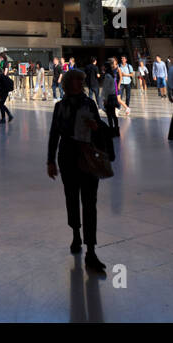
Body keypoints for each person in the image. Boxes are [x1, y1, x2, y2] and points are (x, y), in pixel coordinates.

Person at [47, 68, 110, 273]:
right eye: (75, 80)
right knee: (72, 198)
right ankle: (76, 233)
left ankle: (91, 249)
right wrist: (50, 160)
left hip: (87, 157)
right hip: (67, 158)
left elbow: (101, 128)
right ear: (67, 84)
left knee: (90, 203)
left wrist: (96, 127)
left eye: (80, 80)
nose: (79, 84)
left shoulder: (89, 103)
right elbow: (54, 134)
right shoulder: (60, 107)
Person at [100, 59, 123, 135]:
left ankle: (111, 131)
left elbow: (106, 89)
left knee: (109, 115)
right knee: (113, 114)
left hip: (109, 97)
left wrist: (105, 99)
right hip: (113, 96)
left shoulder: (107, 76)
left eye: (103, 66)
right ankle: (116, 130)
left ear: (106, 67)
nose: (102, 67)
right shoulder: (112, 75)